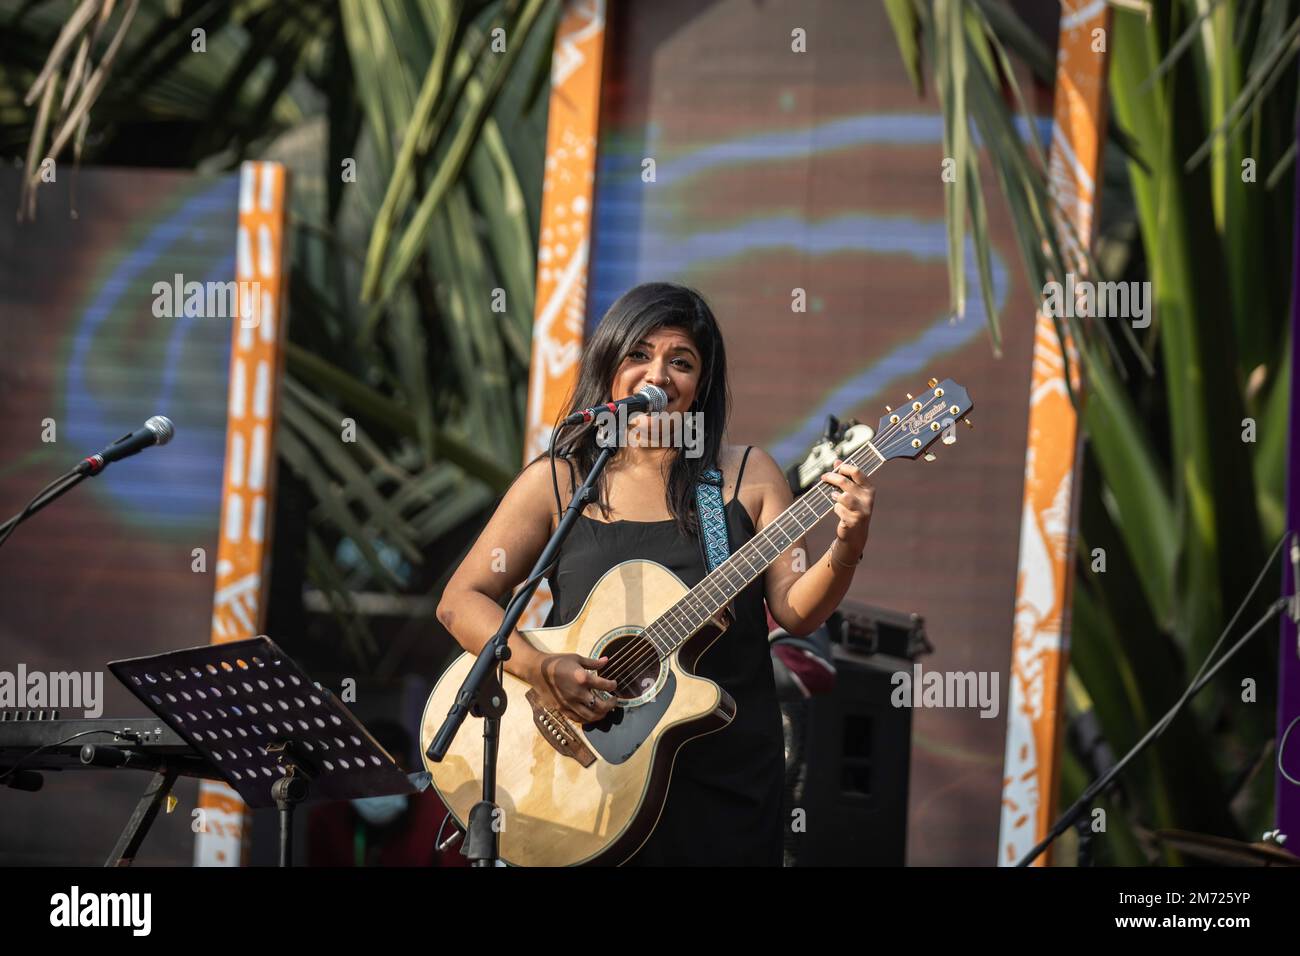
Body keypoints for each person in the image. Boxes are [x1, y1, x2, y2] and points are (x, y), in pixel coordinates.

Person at [435, 282, 875, 865]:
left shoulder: (747, 475)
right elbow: (462, 599)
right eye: (639, 354)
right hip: (591, 779)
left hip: (725, 786)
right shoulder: (562, 480)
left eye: (681, 362)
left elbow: (797, 609)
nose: (658, 375)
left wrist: (848, 540)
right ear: (609, 366)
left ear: (702, 385)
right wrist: (540, 667)